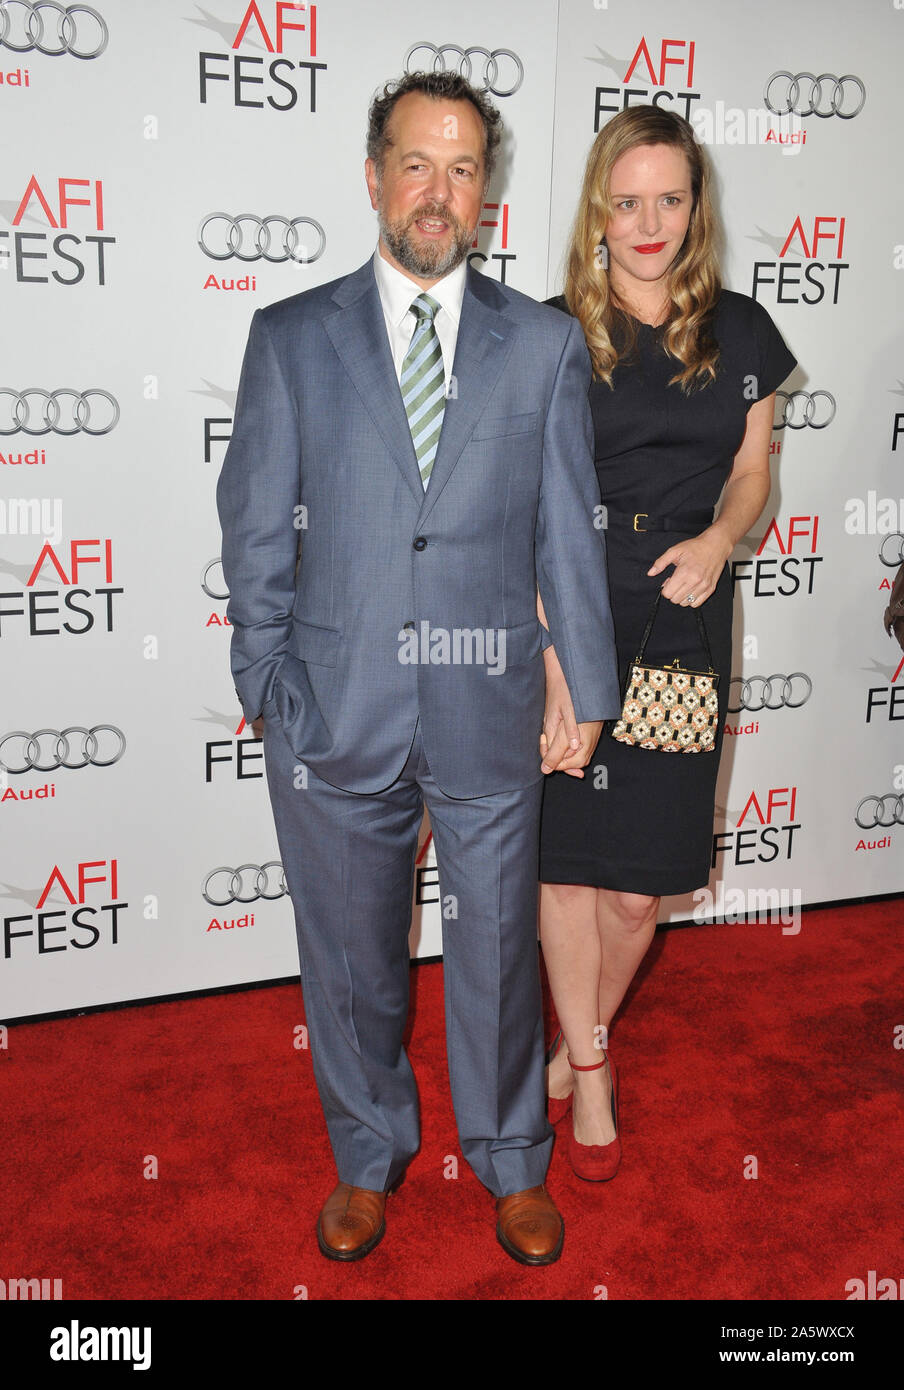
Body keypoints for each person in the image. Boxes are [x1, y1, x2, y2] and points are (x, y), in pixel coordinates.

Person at [216, 71, 620, 1265]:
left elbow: (564, 525)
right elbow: (251, 528)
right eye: (414, 163)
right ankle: (365, 1155)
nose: (436, 192)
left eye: (461, 168)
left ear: (483, 189)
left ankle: (509, 1158)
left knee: (497, 949)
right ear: (372, 172)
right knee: (350, 960)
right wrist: (264, 685)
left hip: (487, 700)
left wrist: (583, 686)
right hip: (335, 708)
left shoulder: (540, 344)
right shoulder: (289, 336)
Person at [538, 106, 796, 1180]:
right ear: (599, 206)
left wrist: (722, 539)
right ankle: (589, 1070)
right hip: (571, 606)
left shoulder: (739, 330)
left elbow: (751, 470)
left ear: (697, 207)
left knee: (640, 886)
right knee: (567, 863)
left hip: (685, 611)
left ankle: (577, 1024)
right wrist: (550, 649)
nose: (648, 222)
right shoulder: (550, 332)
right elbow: (522, 501)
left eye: (670, 199)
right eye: (627, 198)